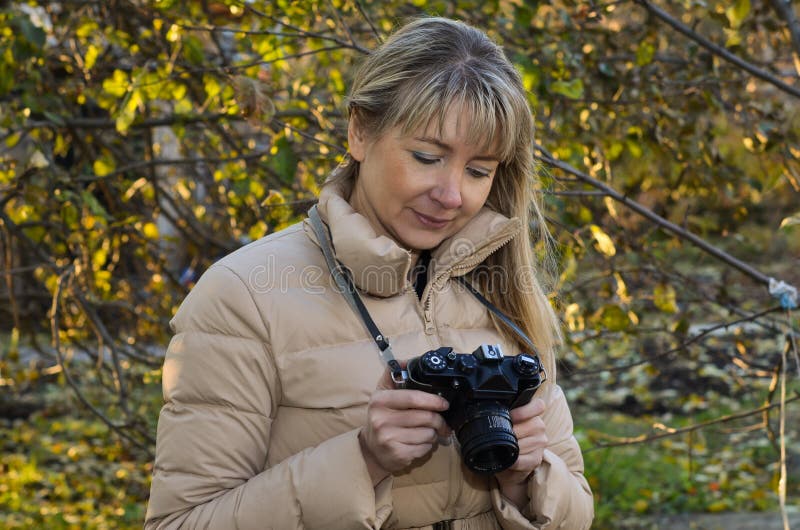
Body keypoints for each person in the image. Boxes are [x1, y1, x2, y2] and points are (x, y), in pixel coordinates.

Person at [145, 16, 594, 530]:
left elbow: (578, 511)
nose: (451, 195)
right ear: (360, 131)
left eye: (478, 171)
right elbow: (180, 523)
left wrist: (524, 479)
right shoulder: (244, 295)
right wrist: (363, 460)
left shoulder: (504, 291)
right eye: (427, 157)